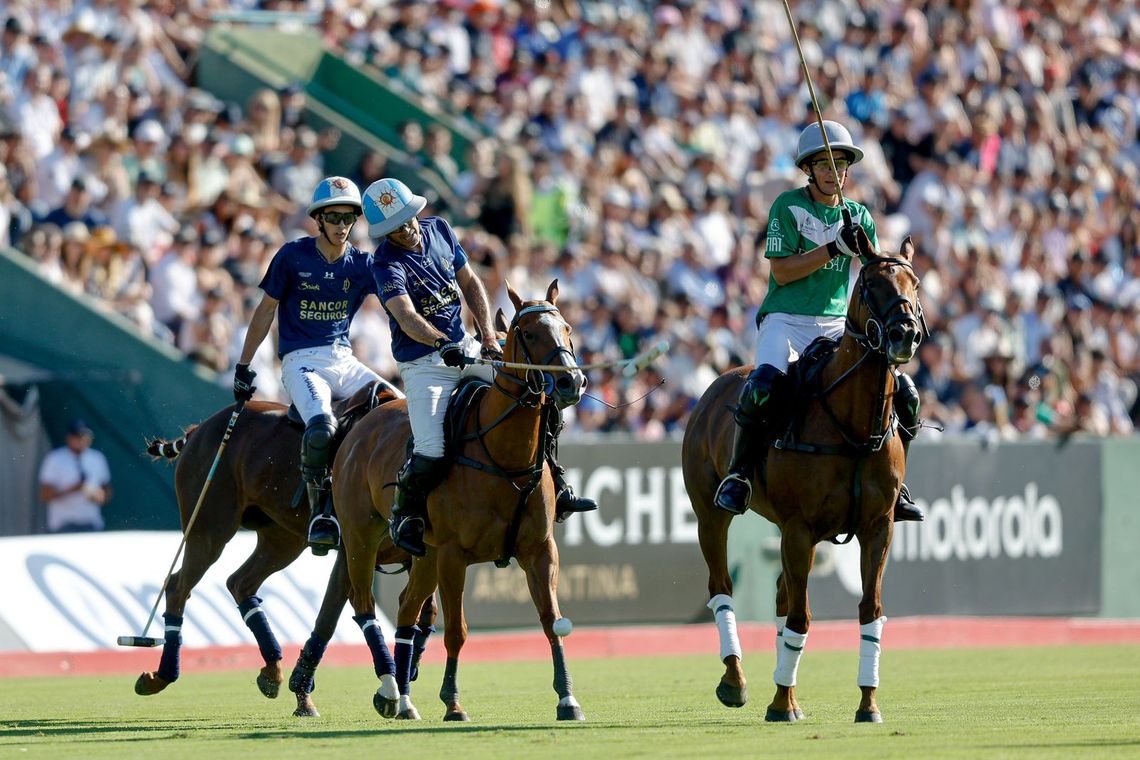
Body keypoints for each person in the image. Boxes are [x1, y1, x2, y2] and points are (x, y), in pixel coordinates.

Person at [364, 177, 597, 558]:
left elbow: (470, 283)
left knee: (534, 392)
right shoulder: (385, 263)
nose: (406, 228)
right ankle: (405, 516)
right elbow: (405, 316)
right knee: (430, 448)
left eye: (408, 218)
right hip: (424, 363)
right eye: (395, 226)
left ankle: (558, 481)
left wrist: (488, 336)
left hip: (469, 346)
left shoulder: (438, 229)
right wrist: (441, 342)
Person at [713, 121, 925, 522]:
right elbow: (781, 272)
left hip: (835, 325)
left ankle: (896, 484)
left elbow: (873, 269)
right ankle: (739, 474)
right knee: (761, 387)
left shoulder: (858, 213)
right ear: (809, 169)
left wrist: (891, 264)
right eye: (825, 164)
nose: (834, 172)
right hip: (786, 321)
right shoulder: (787, 206)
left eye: (840, 164)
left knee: (906, 395)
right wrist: (832, 247)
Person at [233, 176, 387, 552]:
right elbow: (265, 310)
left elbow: (398, 297)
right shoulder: (292, 256)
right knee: (321, 426)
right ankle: (322, 512)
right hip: (301, 360)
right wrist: (244, 364)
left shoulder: (362, 264)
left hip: (344, 359)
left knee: (400, 413)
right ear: (318, 219)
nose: (342, 225)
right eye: (333, 217)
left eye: (349, 217)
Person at [39, 418, 112, 533]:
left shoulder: (97, 458)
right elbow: (45, 495)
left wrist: (96, 495)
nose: (81, 439)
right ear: (69, 437)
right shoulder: (55, 459)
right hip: (63, 525)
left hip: (91, 524)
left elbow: (106, 492)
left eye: (84, 435)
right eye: (77, 435)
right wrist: (74, 489)